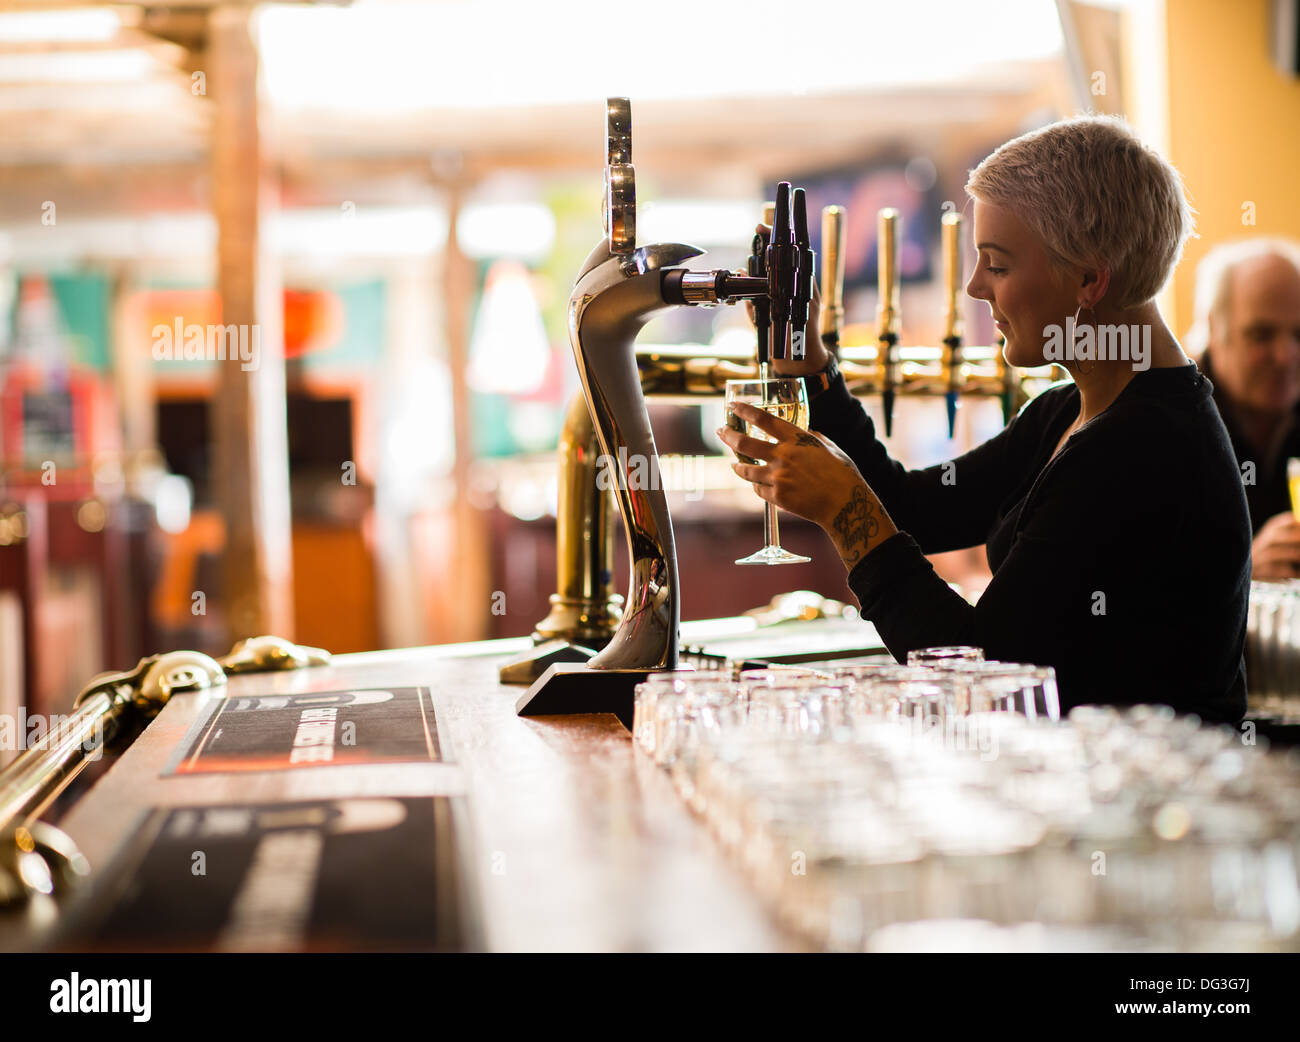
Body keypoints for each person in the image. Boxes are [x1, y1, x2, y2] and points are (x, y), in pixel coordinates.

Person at [718, 115, 1250, 723]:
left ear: (1089, 278)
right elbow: (911, 505)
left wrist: (846, 513)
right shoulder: (1071, 410)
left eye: (996, 264)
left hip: (1152, 806)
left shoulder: (1145, 449)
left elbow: (984, 674)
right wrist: (812, 363)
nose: (974, 287)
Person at [1186, 239, 1300, 579]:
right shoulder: (1166, 421)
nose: (1285, 356)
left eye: (1299, 334)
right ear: (1214, 328)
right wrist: (1237, 575)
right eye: (1261, 335)